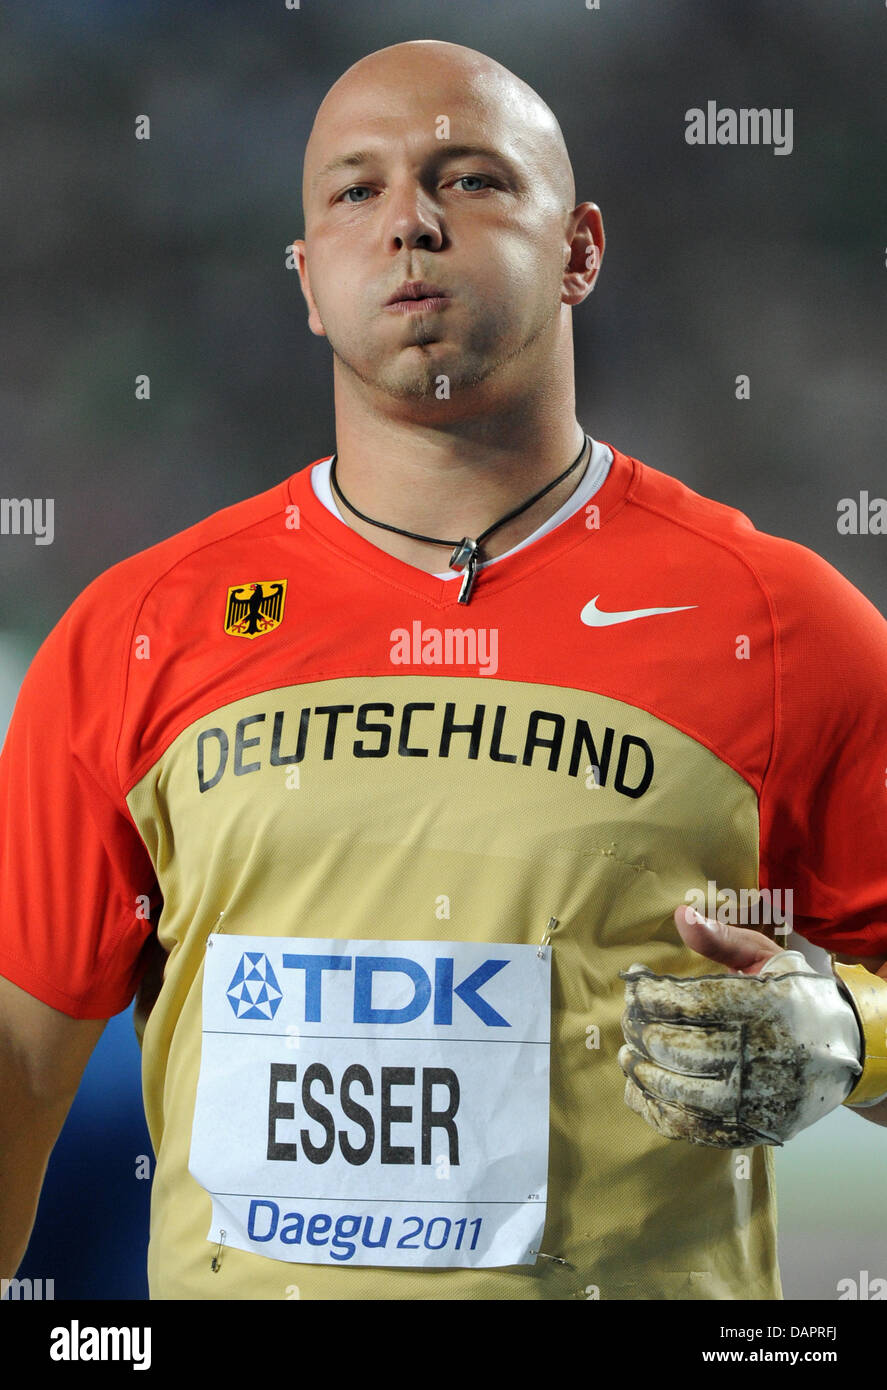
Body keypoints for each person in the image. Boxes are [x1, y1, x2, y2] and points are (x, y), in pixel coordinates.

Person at [1, 38, 885, 1303]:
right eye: (354, 192)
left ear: (579, 248)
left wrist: (852, 1036)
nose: (407, 220)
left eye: (468, 178)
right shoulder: (135, 631)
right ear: (306, 282)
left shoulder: (783, 623)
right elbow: (22, 1069)